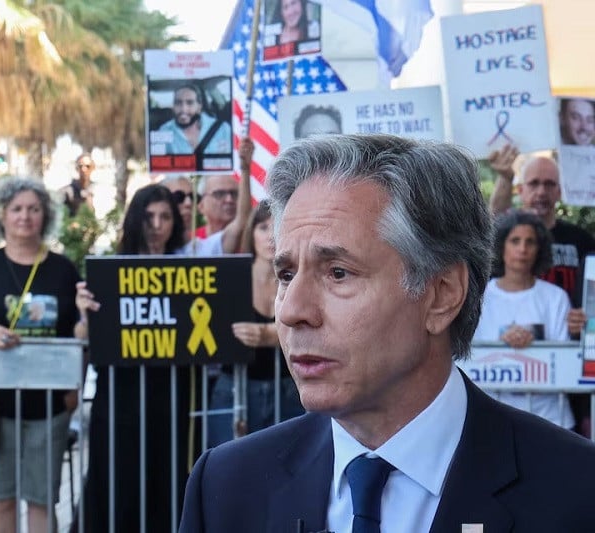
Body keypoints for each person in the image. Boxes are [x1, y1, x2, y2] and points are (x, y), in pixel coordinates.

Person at [179, 135, 595, 532]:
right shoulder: (227, 486)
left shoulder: (575, 491)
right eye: (286, 274)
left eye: (338, 273)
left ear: (442, 295)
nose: (291, 311)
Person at [0, 177, 84, 533]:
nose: (25, 217)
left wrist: (75, 387)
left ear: (46, 215)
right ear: (2, 215)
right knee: (0, 498)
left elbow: (76, 335)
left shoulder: (63, 269)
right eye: (17, 209)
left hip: (49, 405)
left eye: (34, 209)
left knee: (42, 498)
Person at [78, 184, 193, 533]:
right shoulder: (109, 271)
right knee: (116, 485)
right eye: (149, 216)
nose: (157, 225)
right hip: (119, 398)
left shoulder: (190, 270)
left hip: (172, 396)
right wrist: (84, 315)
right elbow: (84, 337)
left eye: (165, 217)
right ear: (134, 220)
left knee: (166, 481)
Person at [489, 147, 595, 436]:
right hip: (506, 392)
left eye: (549, 184)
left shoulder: (582, 240)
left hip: (574, 375)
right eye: (534, 183)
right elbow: (485, 230)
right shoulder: (490, 286)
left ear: (560, 191)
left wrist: (589, 323)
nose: (541, 192)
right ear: (520, 190)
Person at [207, 200, 304, 447]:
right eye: (262, 227)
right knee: (231, 470)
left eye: (276, 227)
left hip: (289, 388)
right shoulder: (229, 278)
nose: (270, 236)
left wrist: (270, 335)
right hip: (234, 389)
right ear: (251, 233)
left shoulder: (301, 279)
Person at [473, 211, 574, 428]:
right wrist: (505, 342)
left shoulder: (556, 297)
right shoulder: (480, 298)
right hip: (494, 417)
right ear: (501, 246)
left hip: (551, 419)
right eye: (515, 241)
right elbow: (471, 355)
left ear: (540, 249)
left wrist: (532, 342)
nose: (522, 249)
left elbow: (562, 356)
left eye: (530, 242)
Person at [155, 83, 231, 155]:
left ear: (199, 107)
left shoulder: (222, 129)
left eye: (190, 103)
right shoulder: (164, 130)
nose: (183, 109)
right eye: (178, 103)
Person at [60, 152, 95, 218]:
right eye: (80, 166)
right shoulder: (68, 191)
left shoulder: (97, 190)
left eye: (88, 166)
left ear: (93, 168)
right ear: (77, 168)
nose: (84, 169)